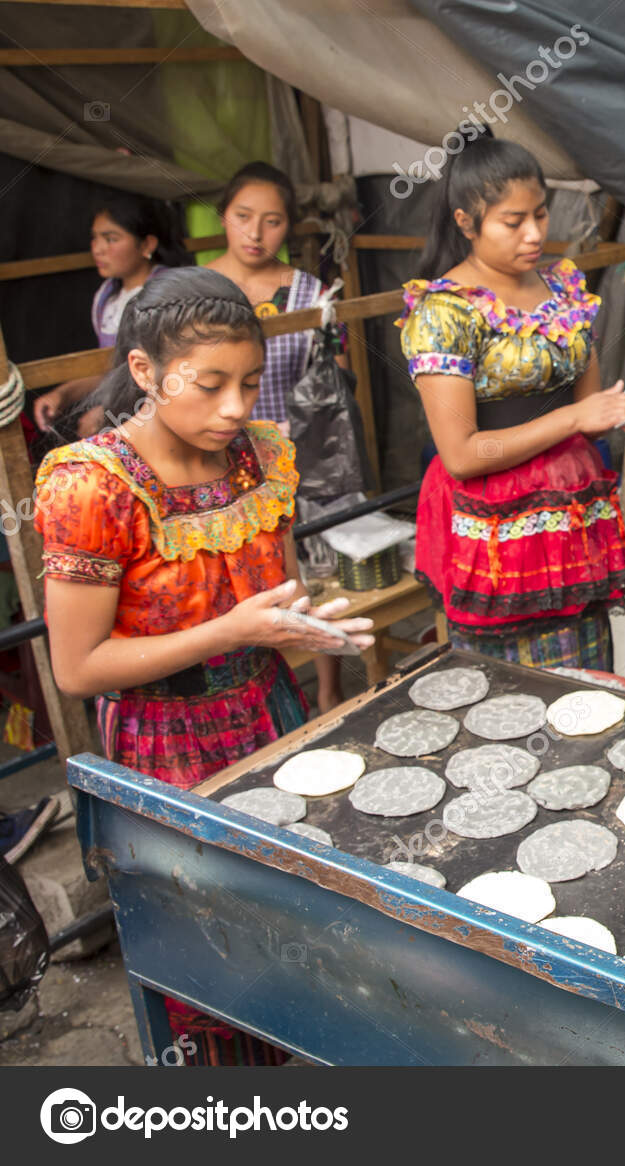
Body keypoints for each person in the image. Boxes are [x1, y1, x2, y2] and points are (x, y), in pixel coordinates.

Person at [35, 267, 374, 1063]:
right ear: (146, 372)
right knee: (217, 965)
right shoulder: (95, 486)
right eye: (210, 383)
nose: (235, 407)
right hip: (167, 749)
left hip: (270, 716)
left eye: (251, 383)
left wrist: (300, 624)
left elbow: (271, 595)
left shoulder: (262, 459)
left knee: (301, 935)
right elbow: (80, 668)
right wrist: (231, 631)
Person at [400, 137, 625, 669]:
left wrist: (619, 410)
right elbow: (460, 455)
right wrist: (573, 418)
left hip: (574, 513)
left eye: (541, 214)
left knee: (590, 684)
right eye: (513, 220)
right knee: (510, 696)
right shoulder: (445, 314)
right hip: (496, 530)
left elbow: (588, 409)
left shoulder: (563, 288)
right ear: (466, 221)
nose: (534, 233)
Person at [205, 161, 351, 713]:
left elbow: (331, 375)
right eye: (243, 217)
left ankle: (330, 689)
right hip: (216, 454)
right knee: (236, 578)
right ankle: (246, 694)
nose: (255, 233)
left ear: (288, 227)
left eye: (271, 221)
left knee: (312, 570)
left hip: (297, 456)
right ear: (225, 217)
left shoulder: (310, 292)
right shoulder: (196, 291)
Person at [32, 194, 184, 440]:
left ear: (147, 245)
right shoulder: (106, 297)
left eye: (111, 239)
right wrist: (64, 394)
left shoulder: (167, 293)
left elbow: (174, 372)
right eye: (95, 237)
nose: (98, 248)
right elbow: (109, 369)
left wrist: (109, 411)